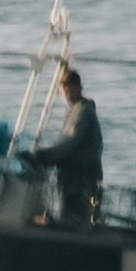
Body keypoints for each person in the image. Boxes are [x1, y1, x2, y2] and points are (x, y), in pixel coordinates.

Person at [27, 58, 104, 224]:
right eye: (63, 88)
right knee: (72, 218)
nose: (66, 91)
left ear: (78, 87)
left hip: (82, 180)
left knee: (76, 222)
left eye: (69, 87)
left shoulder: (82, 112)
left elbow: (69, 143)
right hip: (75, 177)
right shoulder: (75, 109)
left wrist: (41, 156)